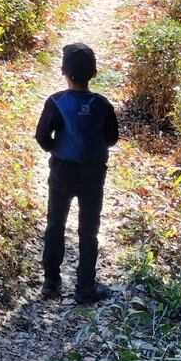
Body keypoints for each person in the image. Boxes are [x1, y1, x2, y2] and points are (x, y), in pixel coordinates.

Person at [34, 40, 119, 304]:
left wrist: (56, 148)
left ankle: (51, 282)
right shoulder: (103, 104)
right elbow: (112, 138)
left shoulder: (56, 102)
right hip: (93, 173)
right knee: (89, 228)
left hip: (62, 170)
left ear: (63, 71)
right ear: (94, 74)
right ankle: (85, 287)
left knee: (56, 223)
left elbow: (41, 136)